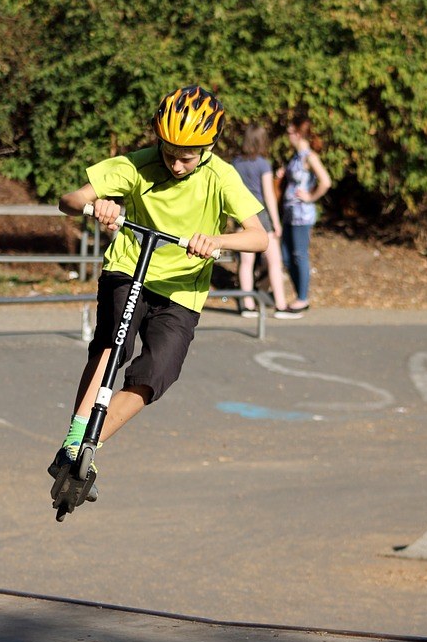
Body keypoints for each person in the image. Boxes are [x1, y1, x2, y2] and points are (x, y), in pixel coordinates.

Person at [52, 85, 268, 500]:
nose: (176, 164)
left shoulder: (222, 176)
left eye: (187, 157)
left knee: (157, 372)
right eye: (169, 153)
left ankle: (87, 448)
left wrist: (216, 240)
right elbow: (70, 199)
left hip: (183, 289)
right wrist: (98, 205)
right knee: (113, 344)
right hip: (129, 268)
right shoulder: (137, 164)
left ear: (207, 148)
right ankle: (74, 441)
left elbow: (259, 238)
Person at [231, 125, 301, 319]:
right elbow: (269, 195)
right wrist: (276, 222)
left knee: (246, 263)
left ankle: (247, 305)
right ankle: (280, 305)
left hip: (241, 215)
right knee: (274, 262)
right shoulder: (263, 164)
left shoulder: (235, 163)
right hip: (261, 216)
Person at [275, 114, 332, 314]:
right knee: (285, 256)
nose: (288, 136)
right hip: (289, 213)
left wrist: (310, 196)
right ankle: (298, 294)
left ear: (298, 134)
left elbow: (325, 181)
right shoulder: (296, 157)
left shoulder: (310, 157)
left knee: (299, 254)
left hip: (302, 214)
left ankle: (302, 298)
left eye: (290, 132)